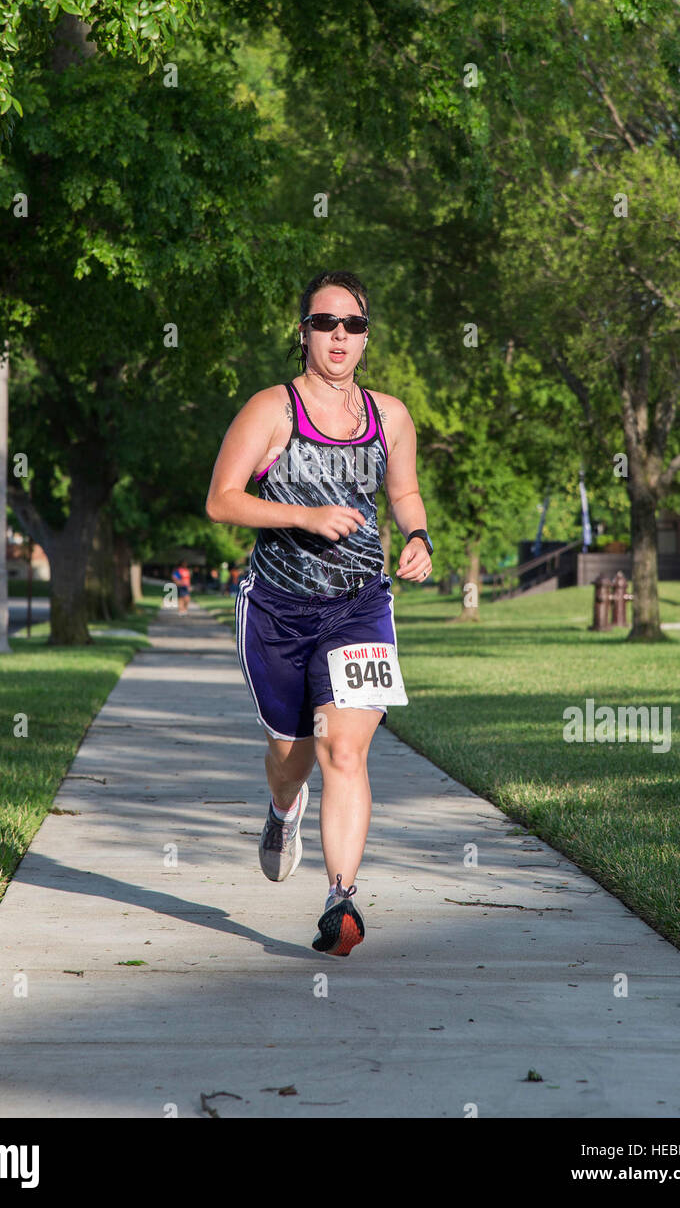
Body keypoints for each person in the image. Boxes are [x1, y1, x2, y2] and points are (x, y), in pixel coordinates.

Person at [205, 271, 433, 955]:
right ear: (302, 332)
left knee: (345, 748)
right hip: (276, 609)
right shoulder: (271, 409)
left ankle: (341, 899)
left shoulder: (389, 415)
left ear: (367, 336)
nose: (340, 336)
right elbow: (222, 499)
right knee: (289, 756)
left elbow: (406, 492)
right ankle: (282, 809)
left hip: (359, 606)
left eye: (353, 325)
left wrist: (418, 536)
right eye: (325, 323)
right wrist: (301, 514)